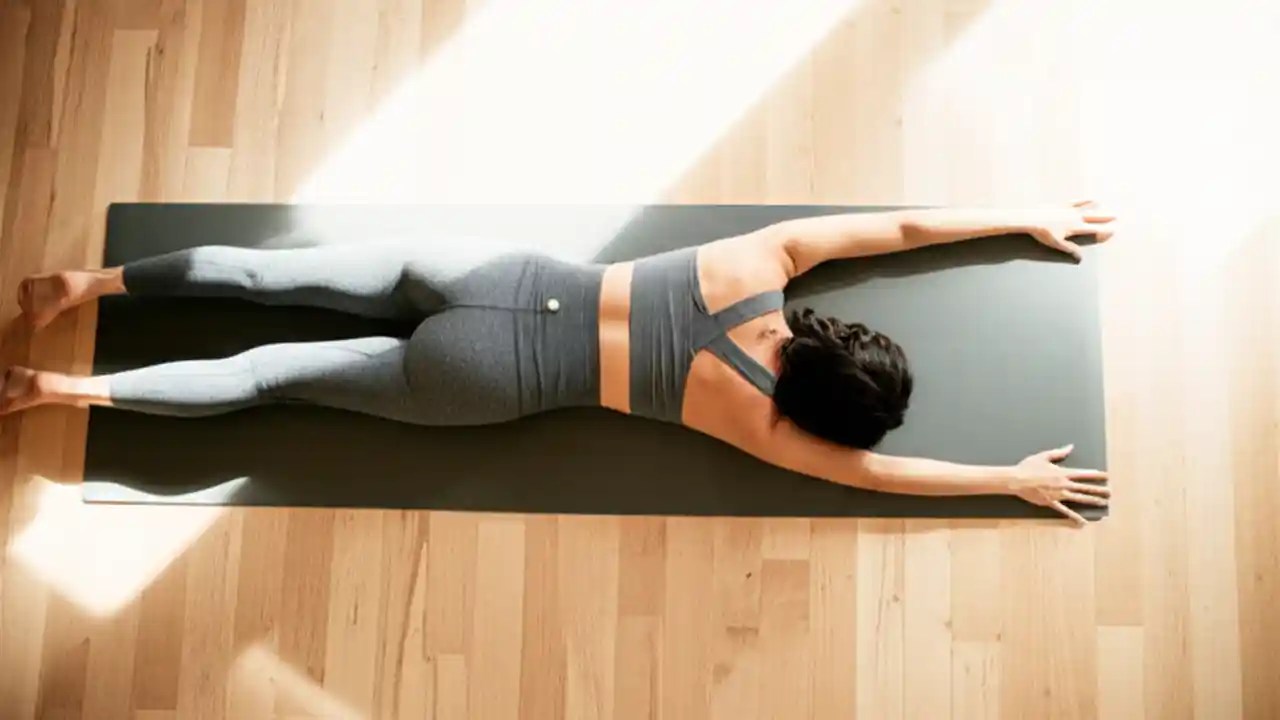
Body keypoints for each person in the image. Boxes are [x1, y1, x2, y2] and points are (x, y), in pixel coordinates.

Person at [2, 202, 1114, 524]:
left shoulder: (762, 262)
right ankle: (56, 391)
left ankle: (85, 287)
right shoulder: (759, 421)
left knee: (268, 275)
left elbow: (903, 229)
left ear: (839, 342)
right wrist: (1007, 480)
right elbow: (879, 477)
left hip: (489, 273)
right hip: (489, 378)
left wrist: (1016, 214)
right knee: (270, 376)